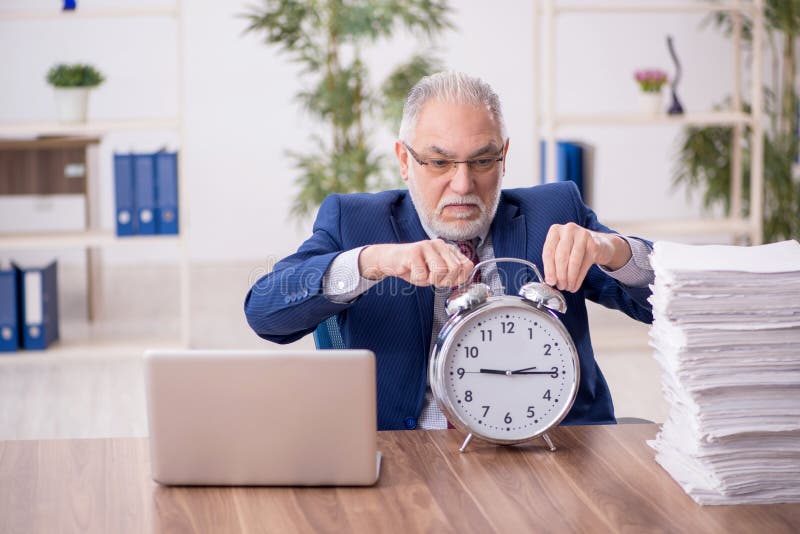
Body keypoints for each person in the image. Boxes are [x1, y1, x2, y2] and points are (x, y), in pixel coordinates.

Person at [244, 71, 654, 431]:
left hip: (556, 453)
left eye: (482, 161)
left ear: (504, 157)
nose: (462, 185)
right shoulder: (353, 221)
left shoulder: (554, 212)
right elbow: (264, 310)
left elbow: (665, 303)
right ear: (405, 160)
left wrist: (612, 249)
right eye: (439, 163)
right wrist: (372, 262)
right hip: (409, 461)